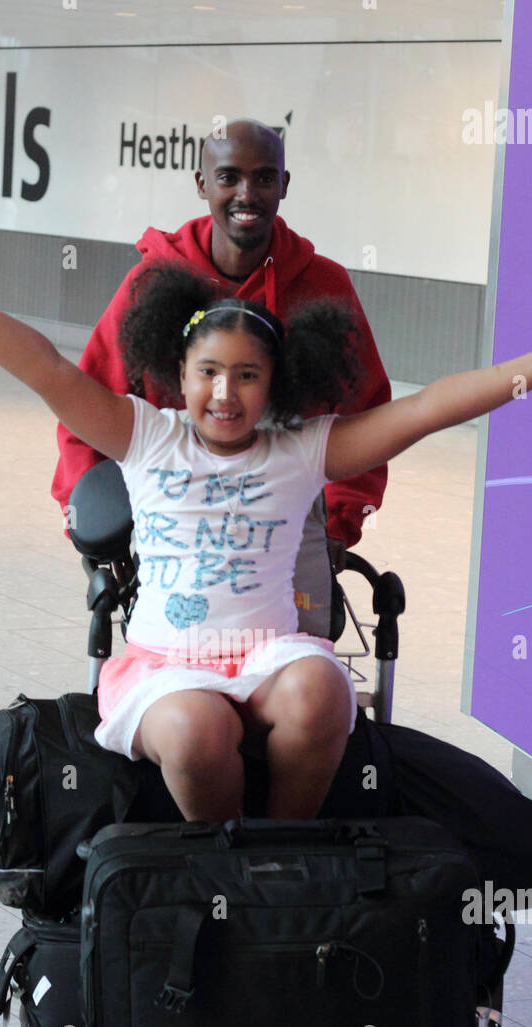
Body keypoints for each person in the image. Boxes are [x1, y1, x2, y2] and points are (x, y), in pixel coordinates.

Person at [0, 222, 532, 825]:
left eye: (247, 376)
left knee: (322, 691)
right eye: (209, 373)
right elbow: (46, 368)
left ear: (275, 385)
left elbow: (427, 408)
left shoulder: (301, 449)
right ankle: (219, 861)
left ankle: (281, 855)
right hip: (166, 666)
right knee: (194, 734)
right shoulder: (143, 434)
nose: (225, 394)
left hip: (269, 656)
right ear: (178, 374)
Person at [52, 119, 394, 638]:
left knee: (295, 675)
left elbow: (366, 412)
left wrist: (338, 524)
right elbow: (89, 401)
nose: (246, 194)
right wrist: (101, 525)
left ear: (284, 184)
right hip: (177, 523)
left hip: (285, 525)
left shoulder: (324, 284)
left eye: (264, 178)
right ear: (202, 183)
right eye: (229, 177)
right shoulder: (154, 281)